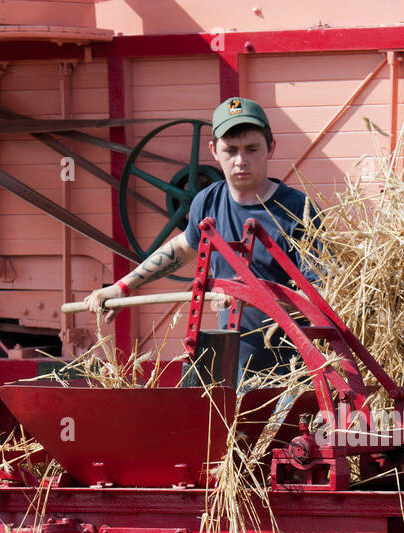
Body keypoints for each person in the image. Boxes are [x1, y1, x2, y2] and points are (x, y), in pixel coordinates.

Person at [84, 97, 320, 380]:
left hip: (293, 375)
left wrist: (243, 296)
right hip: (230, 372)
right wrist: (124, 286)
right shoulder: (207, 202)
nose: (241, 161)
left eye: (252, 149)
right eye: (230, 150)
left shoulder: (298, 211)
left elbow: (319, 296)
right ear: (213, 151)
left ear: (270, 148)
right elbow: (184, 246)